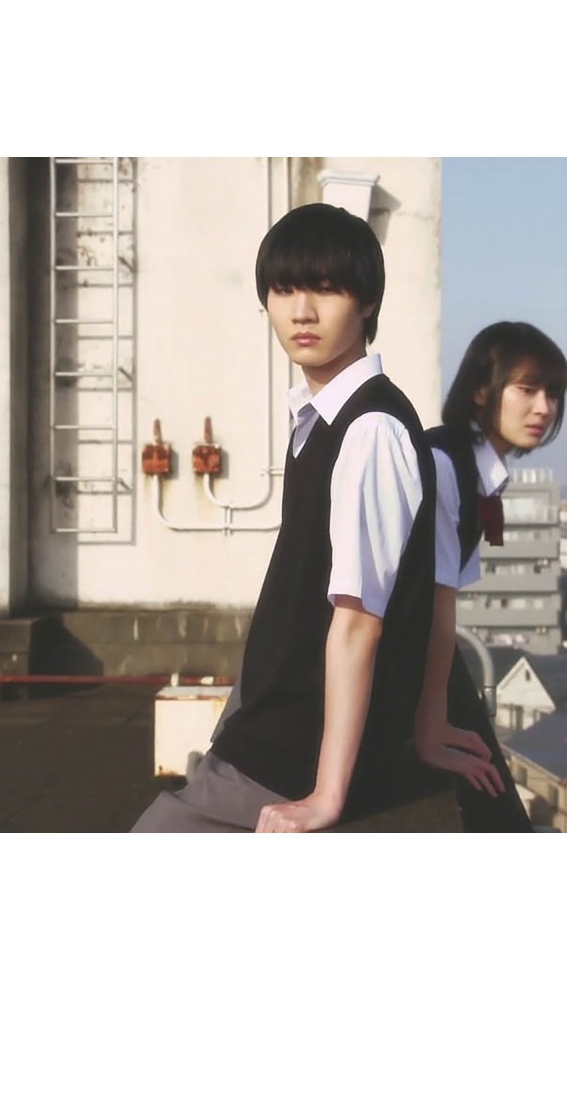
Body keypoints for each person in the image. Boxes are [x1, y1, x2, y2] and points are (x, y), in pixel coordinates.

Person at [131, 203, 436, 833]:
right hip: (268, 723)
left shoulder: (370, 429)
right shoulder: (320, 417)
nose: (302, 311)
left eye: (326, 289)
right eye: (284, 289)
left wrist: (325, 796)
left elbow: (361, 622)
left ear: (368, 302)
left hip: (296, 752)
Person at [413, 321, 567, 831]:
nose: (544, 408)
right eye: (527, 389)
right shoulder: (443, 465)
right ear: (481, 389)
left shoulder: (468, 467)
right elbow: (436, 608)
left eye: (553, 394)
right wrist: (432, 728)